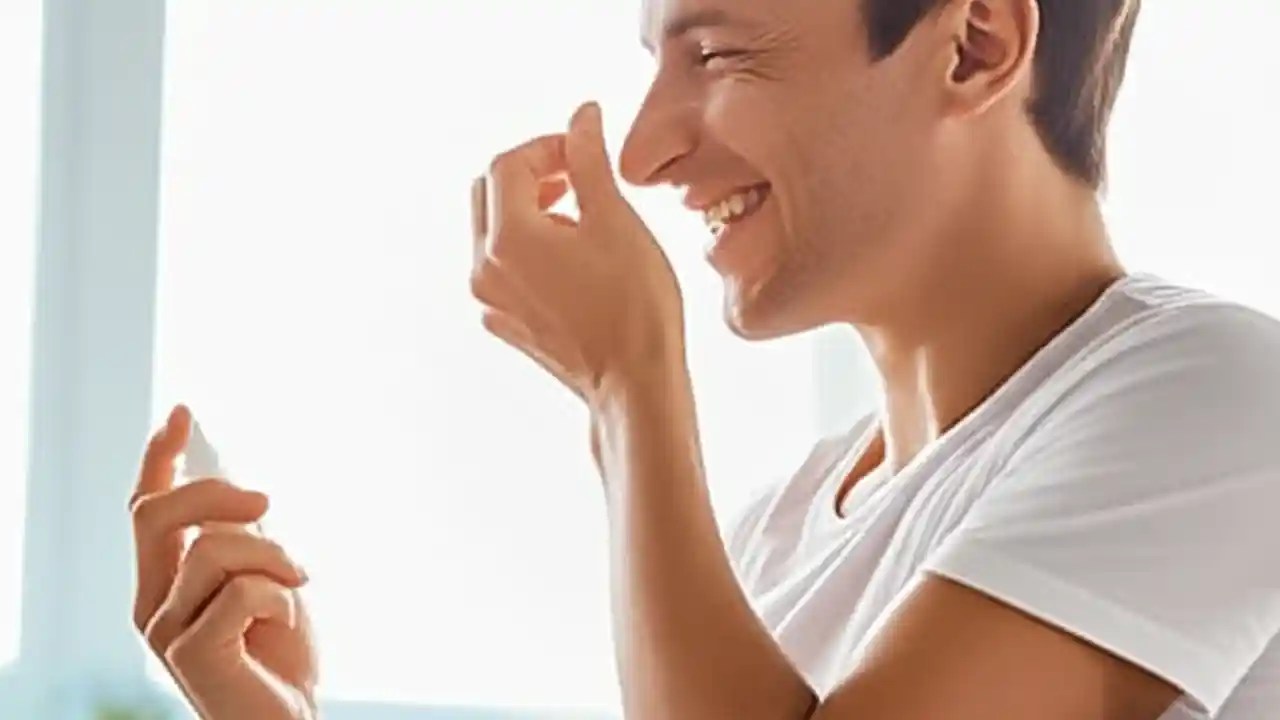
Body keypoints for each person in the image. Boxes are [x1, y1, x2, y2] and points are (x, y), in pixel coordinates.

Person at [128, 0, 1280, 717]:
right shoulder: (778, 531)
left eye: (720, 55)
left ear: (973, 45)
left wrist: (629, 388)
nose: (642, 152)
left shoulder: (1221, 395)